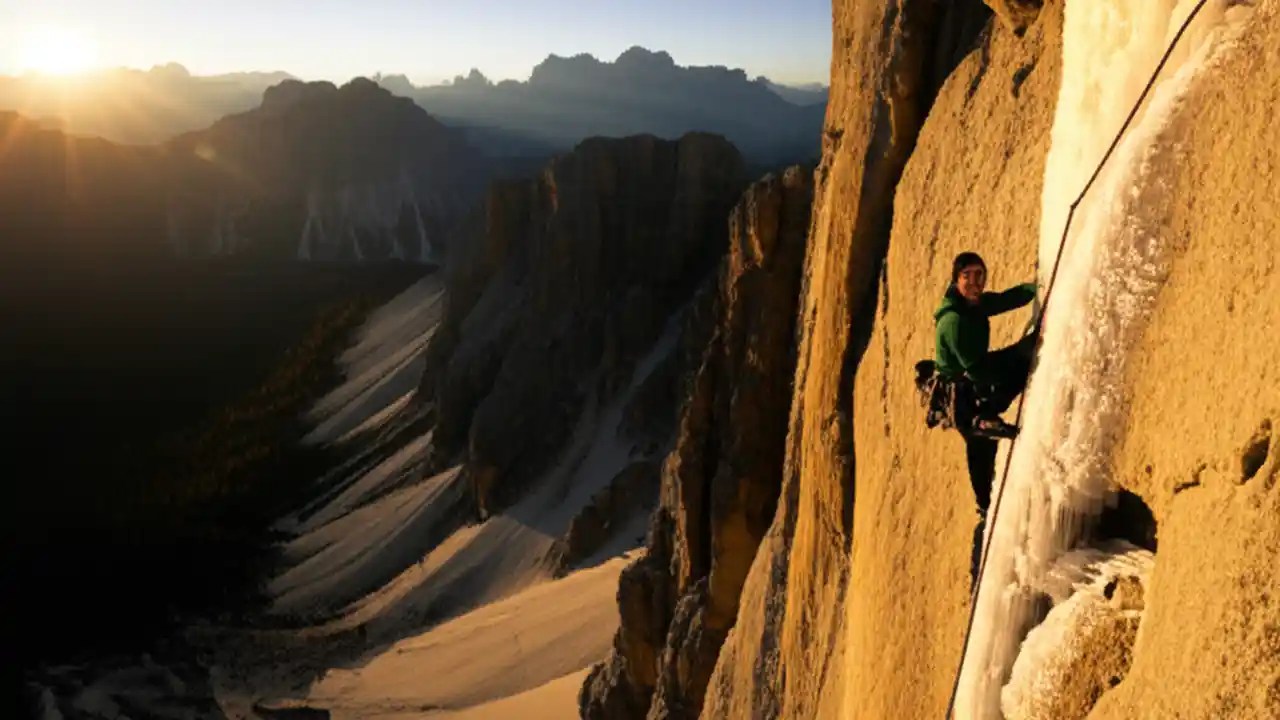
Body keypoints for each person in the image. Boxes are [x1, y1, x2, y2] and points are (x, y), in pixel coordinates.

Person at [933, 251, 1038, 514]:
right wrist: (1010, 374)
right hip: (961, 390)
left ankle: (985, 505)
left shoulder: (973, 305)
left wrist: (1036, 288)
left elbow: (1003, 301)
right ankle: (984, 421)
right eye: (967, 275)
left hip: (970, 381)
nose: (974, 281)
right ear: (956, 280)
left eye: (979, 275)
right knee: (1019, 360)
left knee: (979, 445)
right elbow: (977, 370)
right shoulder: (953, 321)